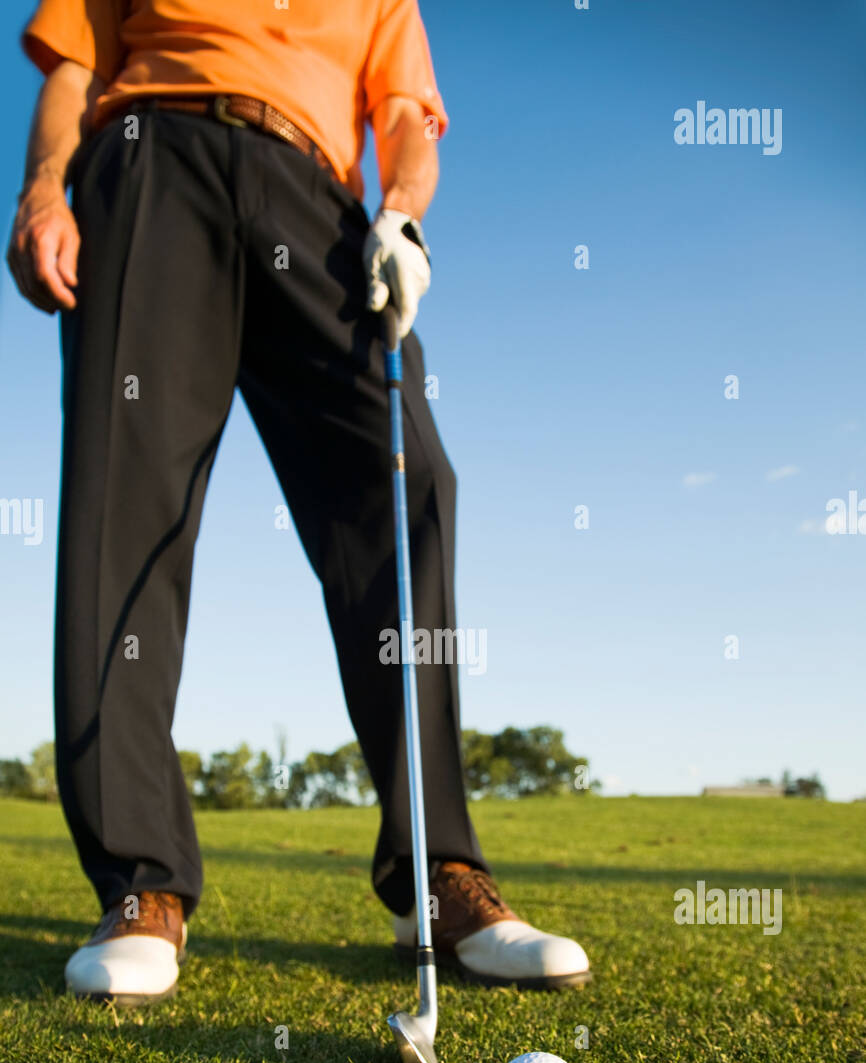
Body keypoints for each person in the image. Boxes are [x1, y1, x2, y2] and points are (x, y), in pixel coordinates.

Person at [8, 0, 591, 1005]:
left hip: (315, 199)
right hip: (149, 160)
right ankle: (140, 884)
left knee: (406, 485)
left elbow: (406, 117)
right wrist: (41, 193)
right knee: (124, 503)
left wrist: (401, 211)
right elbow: (72, 70)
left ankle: (436, 873)